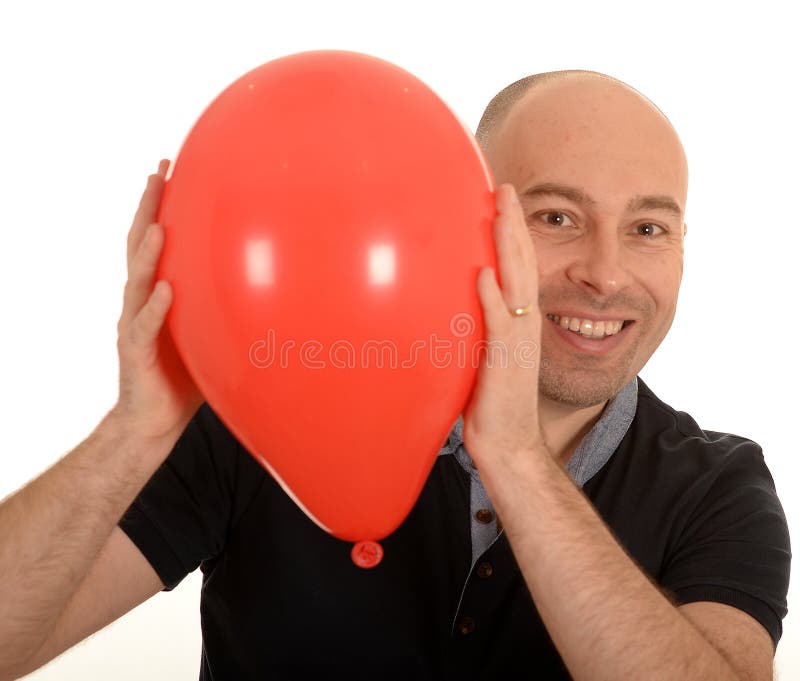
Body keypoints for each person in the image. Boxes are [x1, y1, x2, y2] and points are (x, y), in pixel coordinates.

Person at [0, 70, 789, 680]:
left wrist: (513, 458)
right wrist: (134, 431)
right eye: (556, 217)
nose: (605, 273)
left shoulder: (720, 482)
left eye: (649, 227)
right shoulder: (265, 418)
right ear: (469, 222)